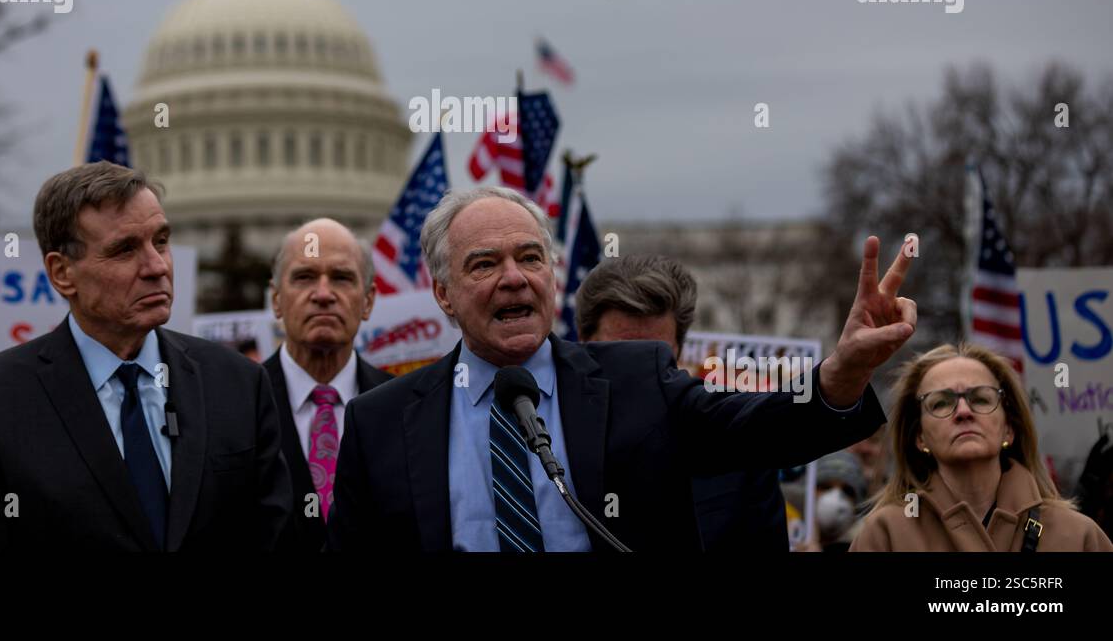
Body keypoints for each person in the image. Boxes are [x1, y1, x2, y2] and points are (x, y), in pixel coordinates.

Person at [328, 186, 907, 552]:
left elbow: (757, 429)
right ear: (445, 295)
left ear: (552, 277)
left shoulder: (639, 381)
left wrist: (842, 371)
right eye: (485, 264)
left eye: (530, 258)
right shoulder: (380, 421)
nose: (514, 277)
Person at [0, 162, 292, 551]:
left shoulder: (239, 384)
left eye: (161, 241)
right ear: (62, 272)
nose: (157, 267)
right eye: (124, 250)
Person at [575, 254, 787, 551]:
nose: (636, 371)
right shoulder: (547, 439)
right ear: (583, 342)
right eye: (621, 352)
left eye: (654, 356)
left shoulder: (740, 457)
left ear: (680, 349)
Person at [851, 343, 1113, 551]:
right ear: (920, 437)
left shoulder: (1078, 537)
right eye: (941, 403)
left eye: (981, 399)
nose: (963, 412)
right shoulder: (885, 535)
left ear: (1008, 428)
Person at [263, 218, 392, 550]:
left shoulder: (404, 409)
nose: (323, 294)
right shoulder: (232, 405)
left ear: (368, 300)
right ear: (276, 299)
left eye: (342, 278)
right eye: (304, 277)